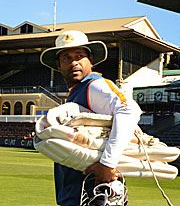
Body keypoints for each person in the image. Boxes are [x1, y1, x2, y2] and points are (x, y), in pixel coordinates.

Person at [40, 30, 142, 206]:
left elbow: (129, 110)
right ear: (58, 66)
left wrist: (108, 164)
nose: (74, 62)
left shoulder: (93, 85)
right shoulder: (78, 91)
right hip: (79, 194)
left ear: (91, 60)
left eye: (79, 56)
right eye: (67, 58)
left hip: (91, 194)